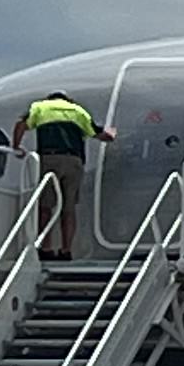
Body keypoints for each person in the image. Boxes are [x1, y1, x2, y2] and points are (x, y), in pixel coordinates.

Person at [24, 92, 110, 259]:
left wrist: (16, 147)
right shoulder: (78, 111)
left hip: (49, 159)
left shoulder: (40, 107)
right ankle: (66, 250)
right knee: (68, 209)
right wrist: (113, 132)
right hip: (73, 161)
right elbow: (100, 134)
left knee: (45, 207)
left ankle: (46, 248)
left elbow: (21, 125)